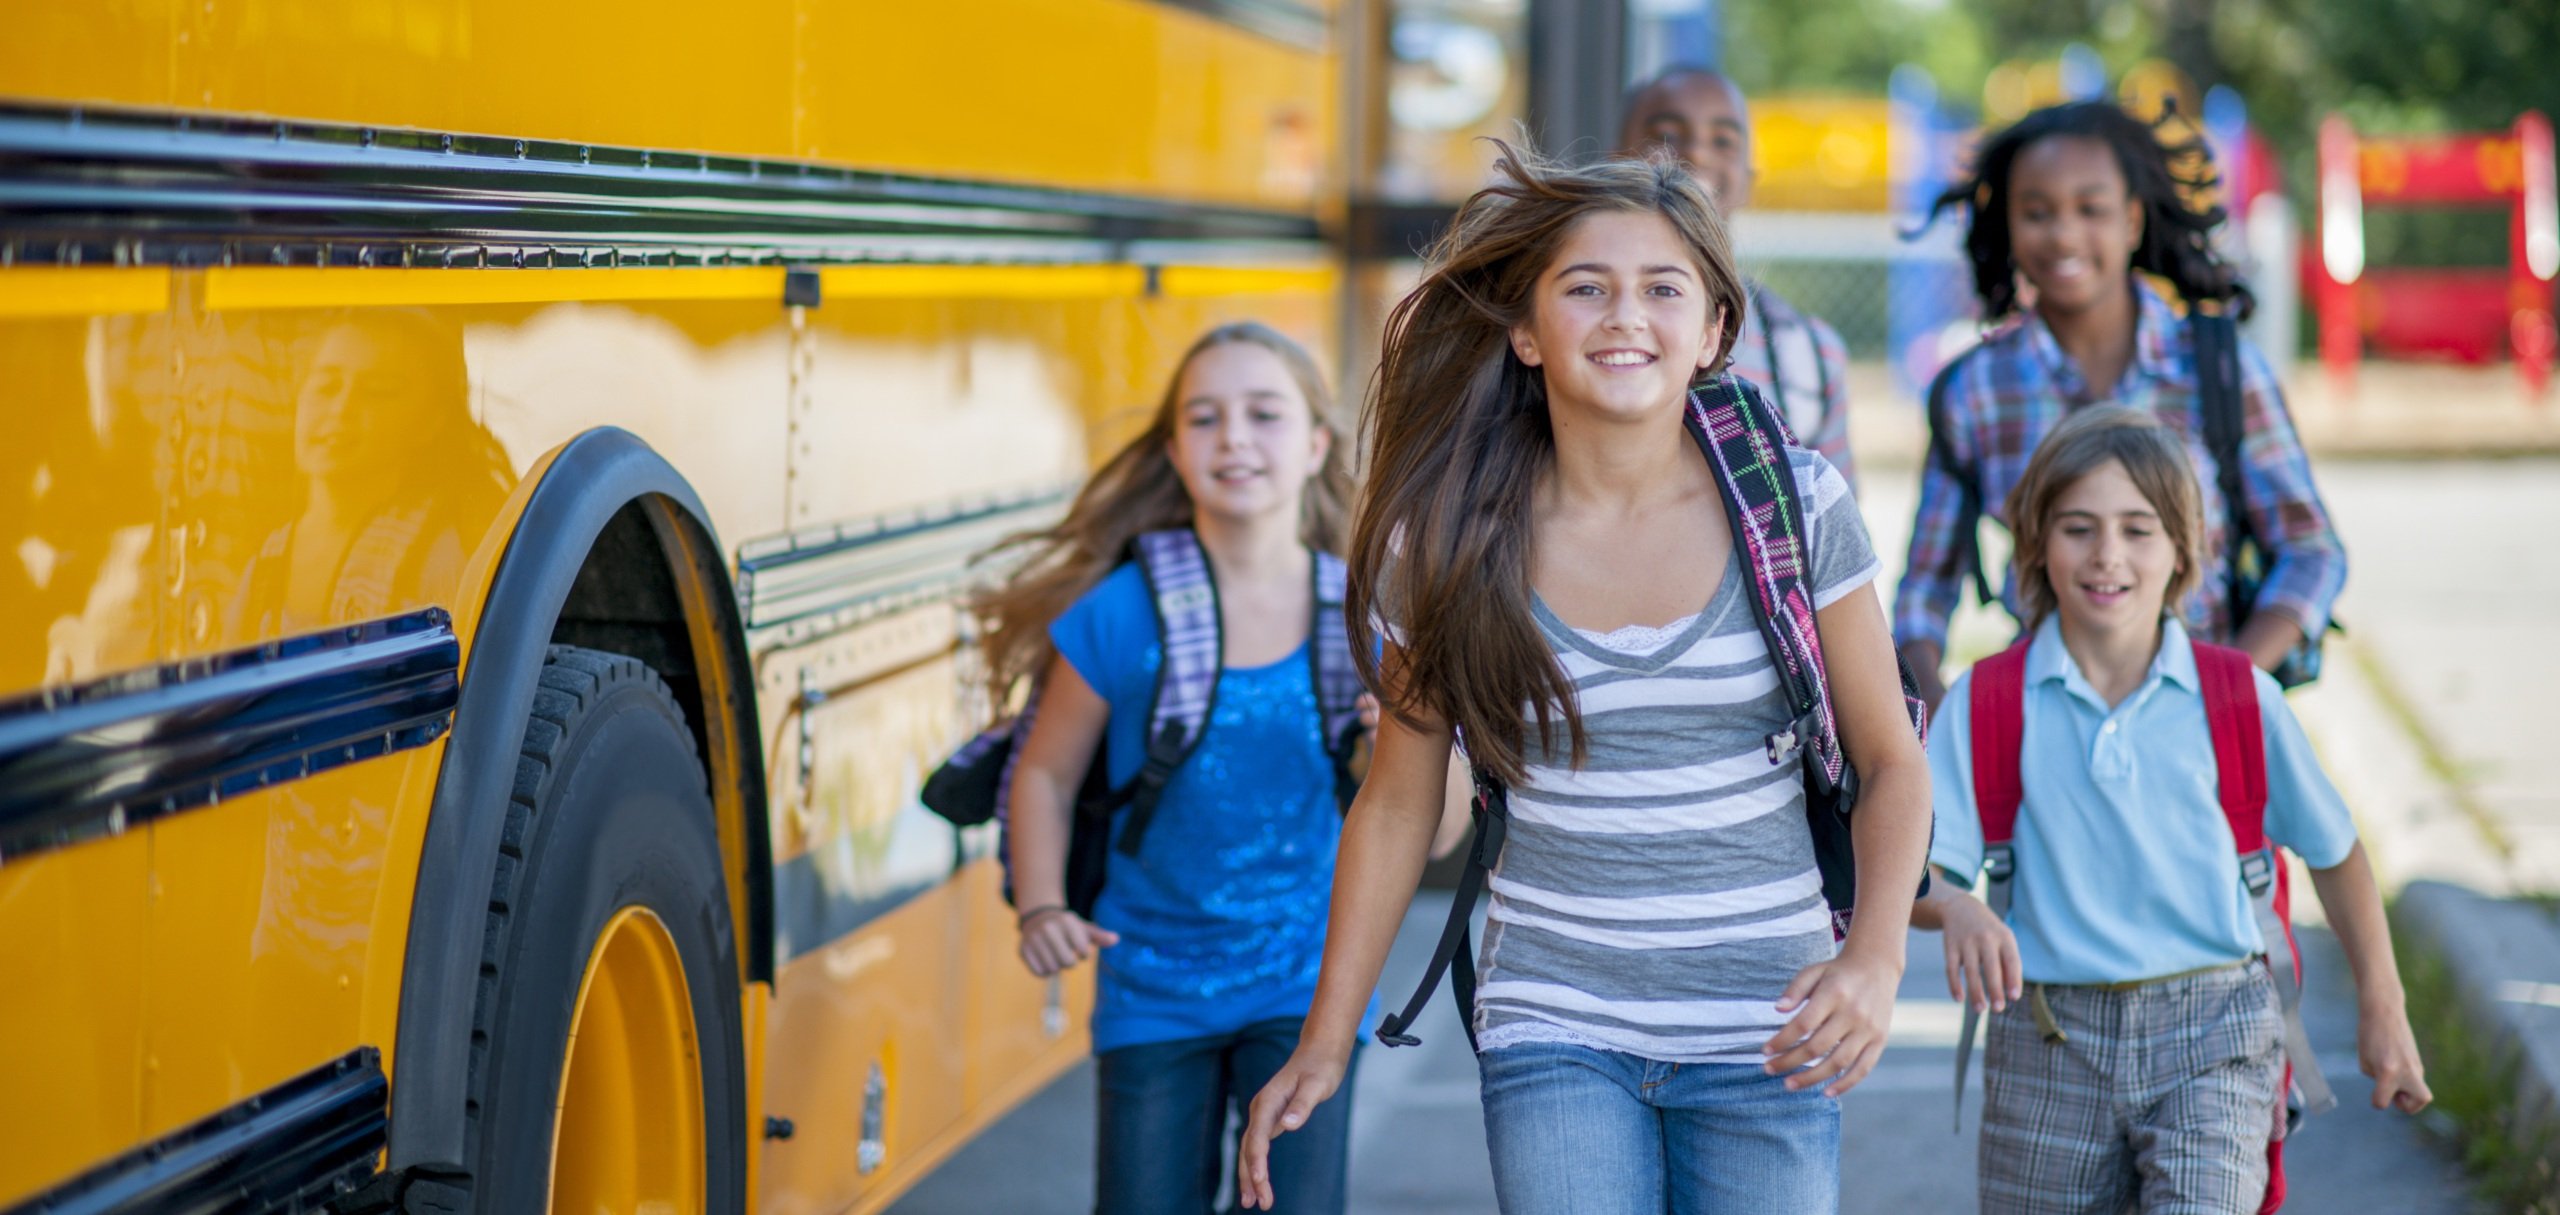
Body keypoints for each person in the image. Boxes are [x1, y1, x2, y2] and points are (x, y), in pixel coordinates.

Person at [1236, 145, 1932, 1214]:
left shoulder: (1793, 504)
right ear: (1525, 332)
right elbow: (1397, 800)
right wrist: (1325, 1043)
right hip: (1554, 1027)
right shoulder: (1448, 541)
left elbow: (1890, 760)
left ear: (1710, 332)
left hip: (1768, 1027)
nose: (1625, 316)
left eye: (1662, 289)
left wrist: (1874, 961)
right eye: (1584, 287)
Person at [988, 321, 1459, 1215]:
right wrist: (1043, 904)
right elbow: (1043, 774)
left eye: (1264, 414)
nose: (1234, 438)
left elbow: (1437, 825)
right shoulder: (1122, 612)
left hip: (1309, 983)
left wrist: (1386, 739)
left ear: (1317, 443)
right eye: (1204, 418)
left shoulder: (1367, 617)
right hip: (1152, 986)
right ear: (1173, 449)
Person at [1910, 406, 2428, 1213]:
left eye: (2138, 529)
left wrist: (2383, 1007)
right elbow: (1918, 871)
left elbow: (2334, 850)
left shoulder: (2237, 697)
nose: (2107, 555)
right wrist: (1957, 906)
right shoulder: (1987, 701)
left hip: (2216, 1033)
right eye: (2078, 527)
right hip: (2049, 1038)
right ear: (2038, 545)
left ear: (2185, 548)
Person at [1893, 101, 2346, 711]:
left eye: (2091, 208)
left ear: (2132, 220)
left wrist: (2225, 690)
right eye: (2036, 212)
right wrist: (1945, 724)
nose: (2064, 233)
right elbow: (1923, 595)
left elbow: (2309, 548)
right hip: (2043, 737)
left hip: (2205, 739)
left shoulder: (2218, 368)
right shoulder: (1973, 390)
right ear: (2006, 224)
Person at [1621, 65, 1859, 491]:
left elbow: (1835, 531)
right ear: (1615, 160)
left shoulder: (1808, 356)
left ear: (1750, 180)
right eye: (1668, 135)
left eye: (1723, 140)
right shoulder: (1571, 327)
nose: (1697, 152)